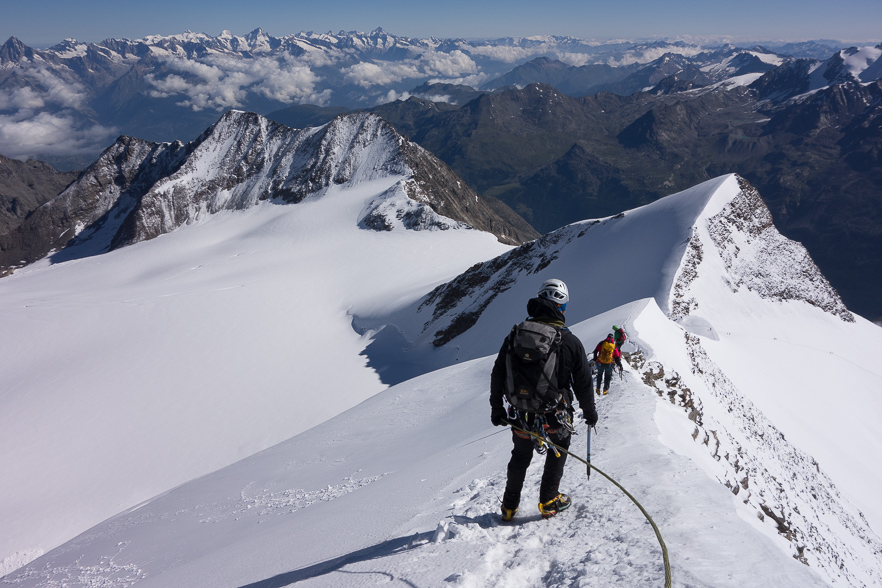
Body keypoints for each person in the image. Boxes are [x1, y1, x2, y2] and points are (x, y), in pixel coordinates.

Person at [489, 278, 598, 521]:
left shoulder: (515, 335)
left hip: (520, 412)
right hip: (554, 413)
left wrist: (497, 408)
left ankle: (509, 506)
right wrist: (590, 412)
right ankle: (549, 500)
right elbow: (583, 383)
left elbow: (498, 372)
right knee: (558, 449)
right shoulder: (570, 341)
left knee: (520, 456)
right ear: (562, 307)